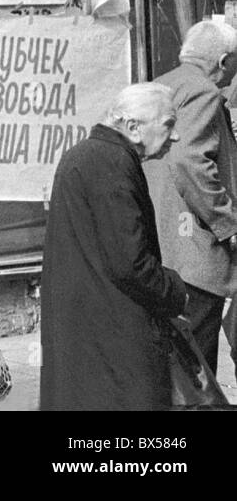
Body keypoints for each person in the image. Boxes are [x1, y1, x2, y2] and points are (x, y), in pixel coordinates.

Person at [40, 83, 190, 410]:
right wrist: (177, 293)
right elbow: (130, 264)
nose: (174, 136)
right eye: (167, 124)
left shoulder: (89, 154)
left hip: (91, 331)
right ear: (133, 128)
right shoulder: (111, 161)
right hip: (115, 338)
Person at [143, 21, 237, 375]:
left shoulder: (161, 85)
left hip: (163, 244)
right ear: (224, 61)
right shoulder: (204, 92)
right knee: (196, 368)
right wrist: (227, 223)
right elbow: (190, 161)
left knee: (175, 363)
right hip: (194, 249)